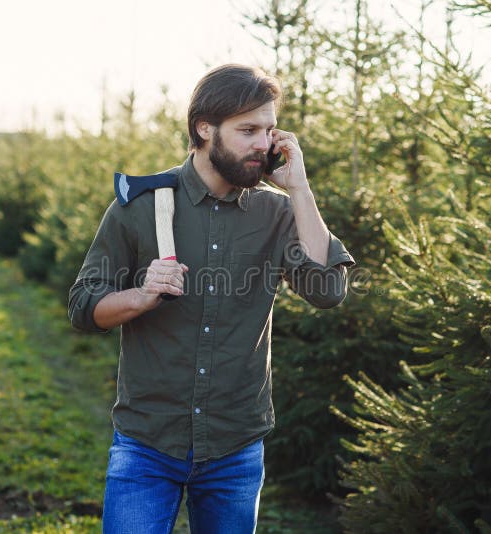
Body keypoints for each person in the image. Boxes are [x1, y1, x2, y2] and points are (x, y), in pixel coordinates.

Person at [68, 64, 355, 534]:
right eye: (247, 130)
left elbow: (328, 291)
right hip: (147, 443)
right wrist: (140, 296)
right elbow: (83, 307)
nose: (263, 144)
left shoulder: (278, 212)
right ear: (205, 128)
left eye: (269, 130)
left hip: (235, 447)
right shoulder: (141, 204)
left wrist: (300, 188)